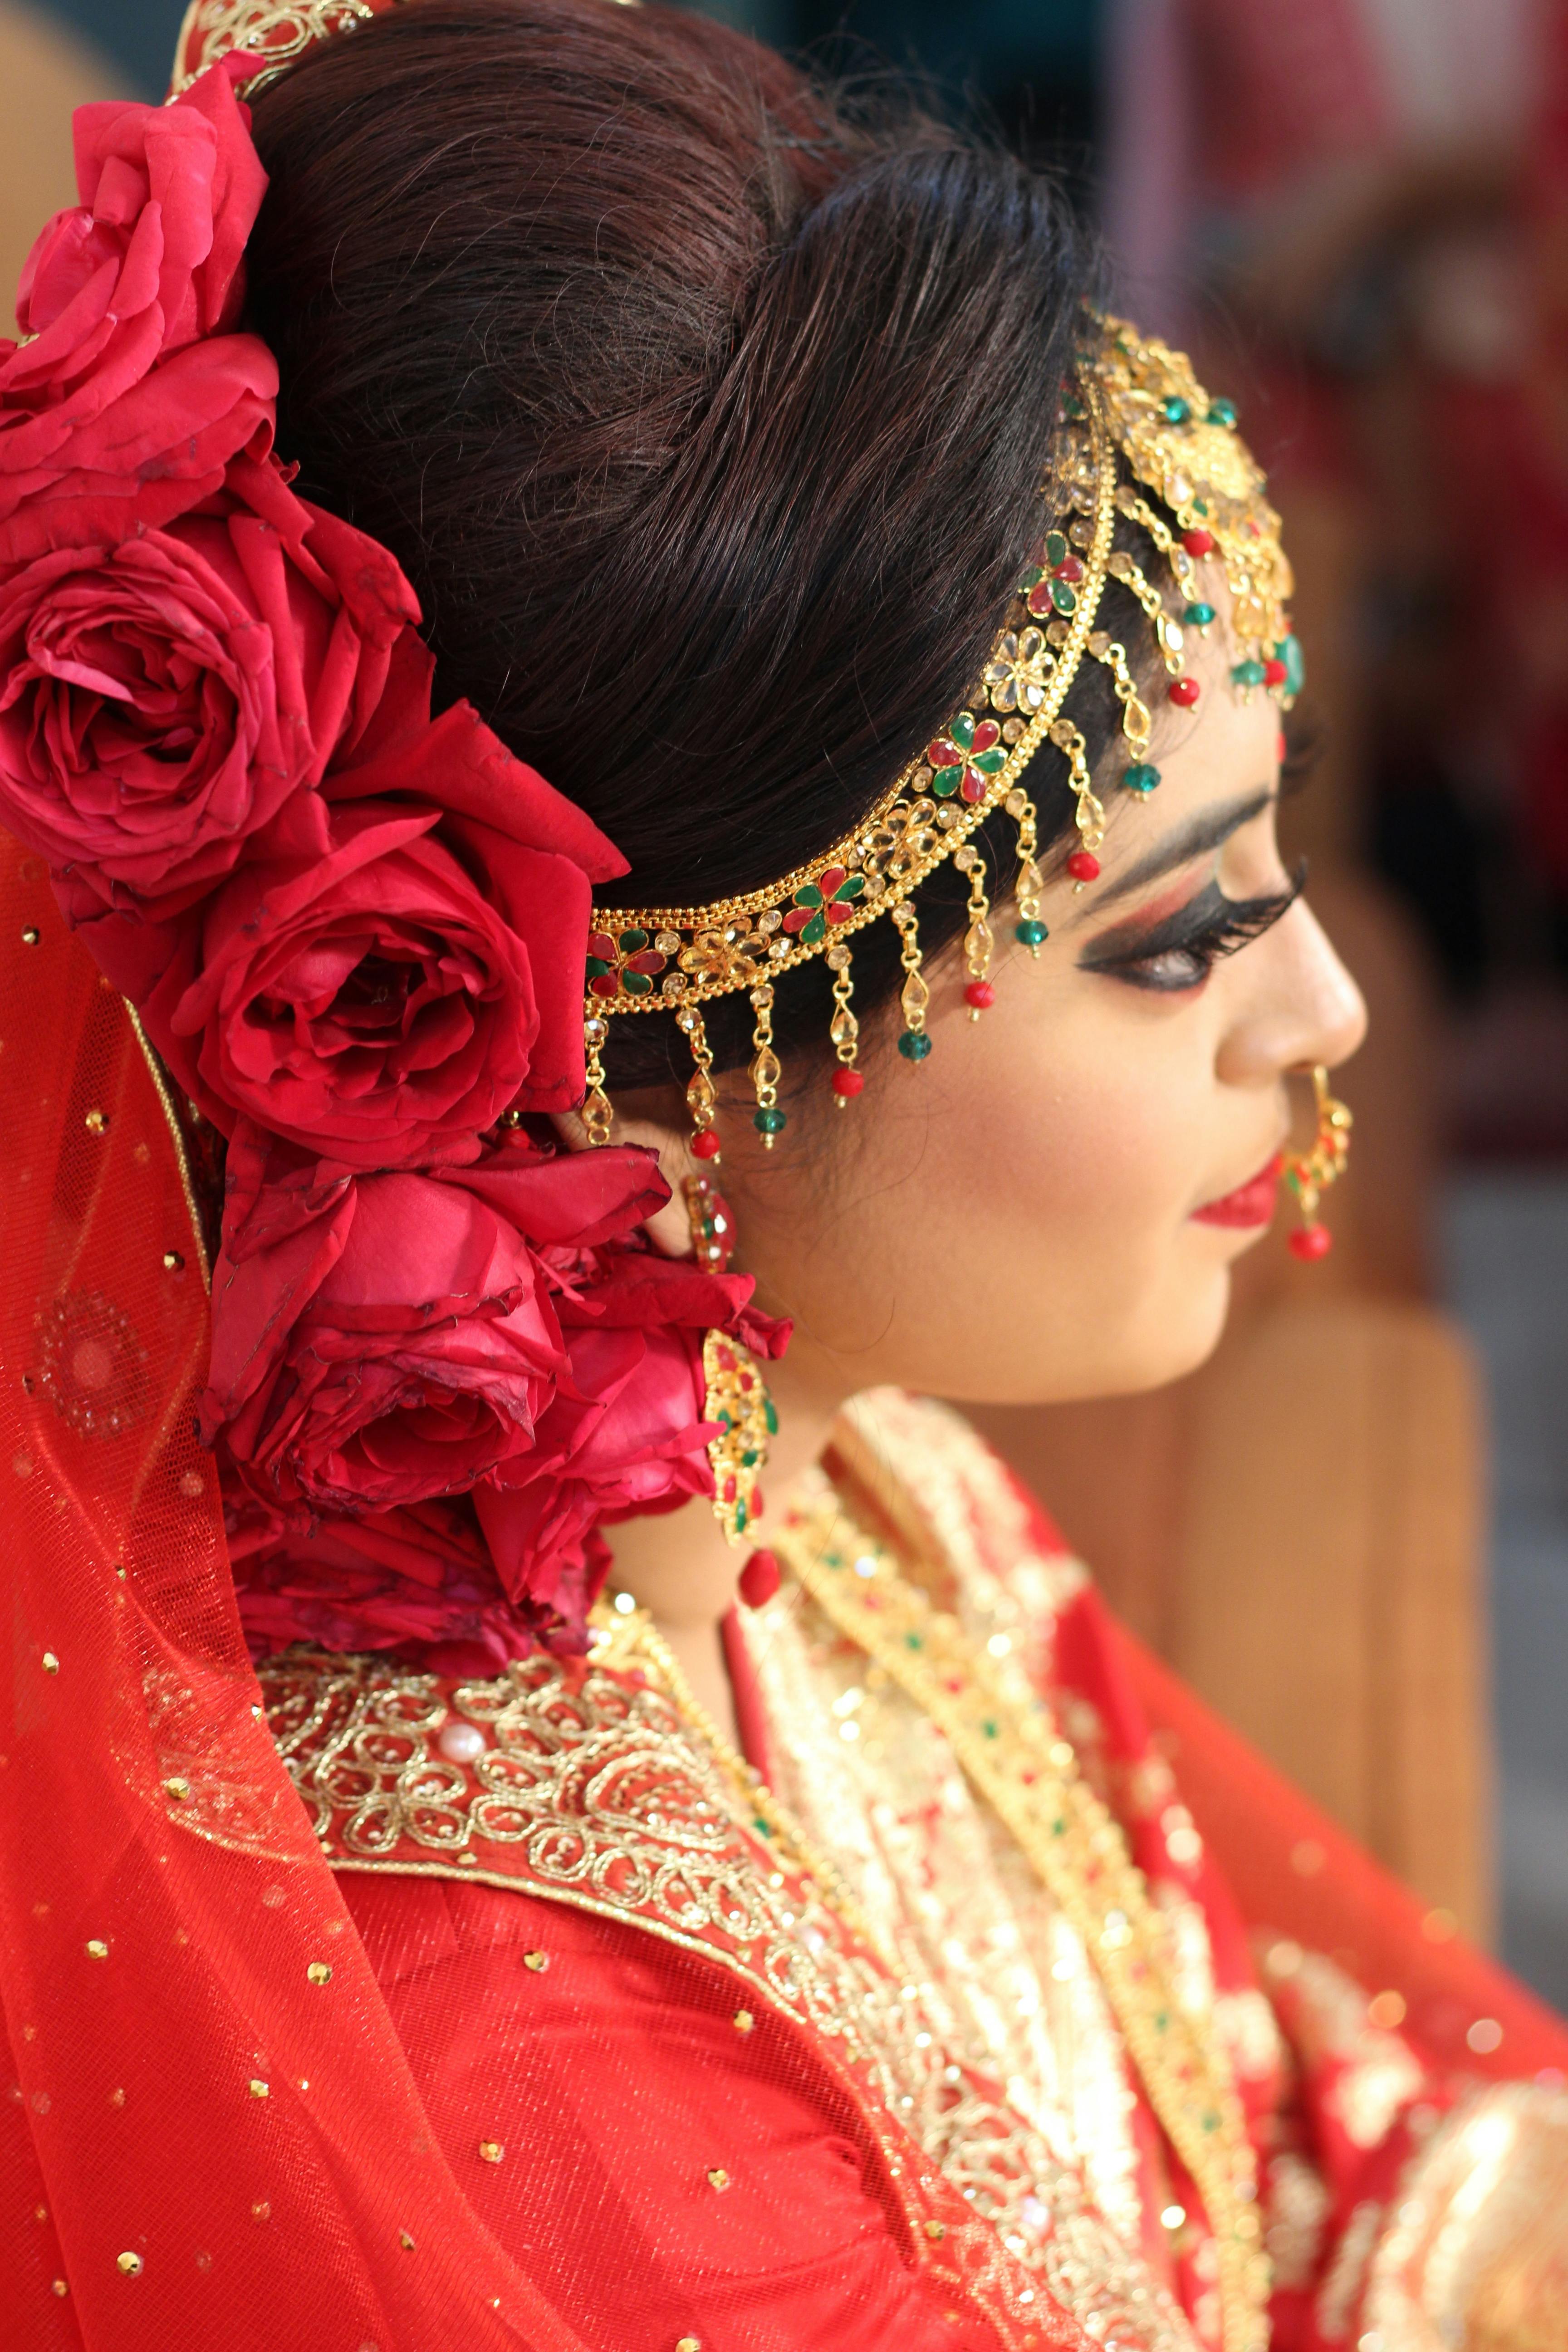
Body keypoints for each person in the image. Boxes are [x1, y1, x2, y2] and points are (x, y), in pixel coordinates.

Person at [0, 4, 1564, 2348]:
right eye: (1180, 944)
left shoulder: (821, 1489)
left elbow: (1329, 2118)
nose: (1323, 1013)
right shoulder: (522, 2081)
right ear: (632, 1078)